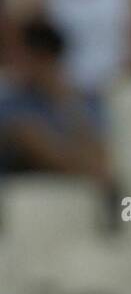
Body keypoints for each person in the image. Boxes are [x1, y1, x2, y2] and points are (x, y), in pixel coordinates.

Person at [0, 16, 112, 180]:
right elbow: (23, 138)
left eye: (19, 54)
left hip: (76, 183)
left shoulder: (85, 100)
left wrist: (67, 102)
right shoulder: (11, 103)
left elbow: (98, 154)